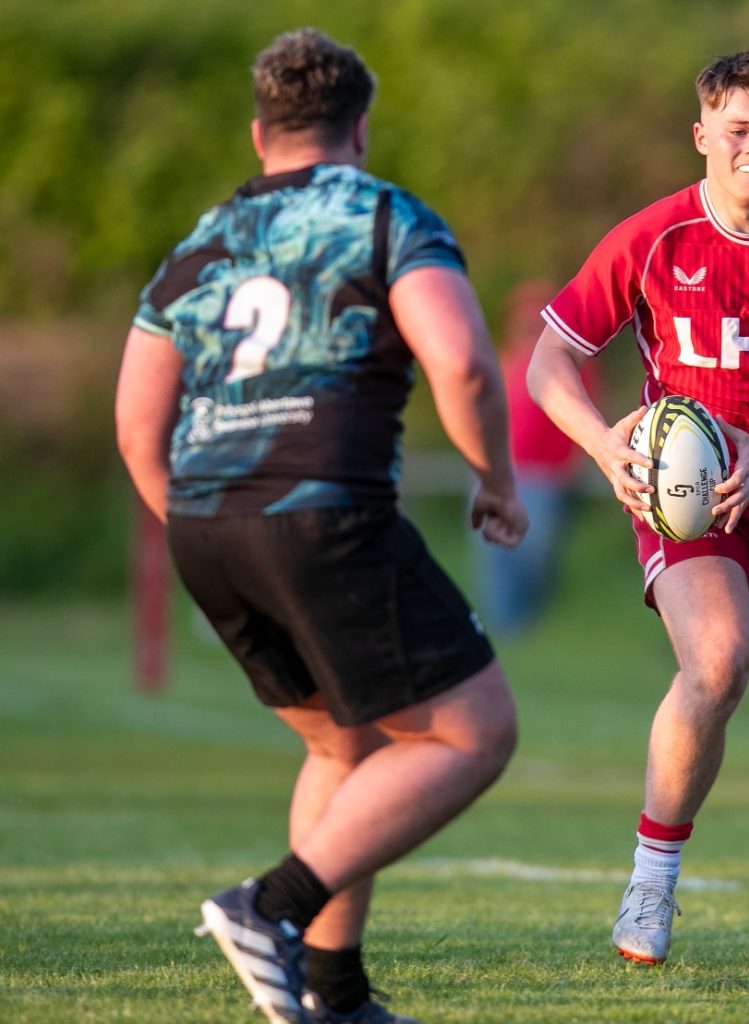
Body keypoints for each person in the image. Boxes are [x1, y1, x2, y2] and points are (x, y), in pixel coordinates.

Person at [114, 29, 525, 1024]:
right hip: (323, 511)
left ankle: (328, 995)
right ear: (362, 129)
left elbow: (136, 415)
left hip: (205, 522)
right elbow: (464, 361)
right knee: (475, 732)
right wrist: (495, 478)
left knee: (347, 747)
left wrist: (201, 522)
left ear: (261, 134)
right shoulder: (384, 214)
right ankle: (272, 907)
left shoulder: (202, 238)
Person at [526, 51, 749, 969]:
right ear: (702, 135)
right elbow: (548, 366)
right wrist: (607, 446)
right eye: (737, 131)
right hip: (684, 502)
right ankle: (651, 883)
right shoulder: (654, 236)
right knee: (719, 662)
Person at [478, 279, 598, 635]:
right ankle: (503, 630)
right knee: (495, 557)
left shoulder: (572, 366)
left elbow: (587, 414)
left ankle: (533, 626)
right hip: (497, 473)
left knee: (535, 556)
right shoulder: (506, 359)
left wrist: (573, 467)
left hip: (544, 478)